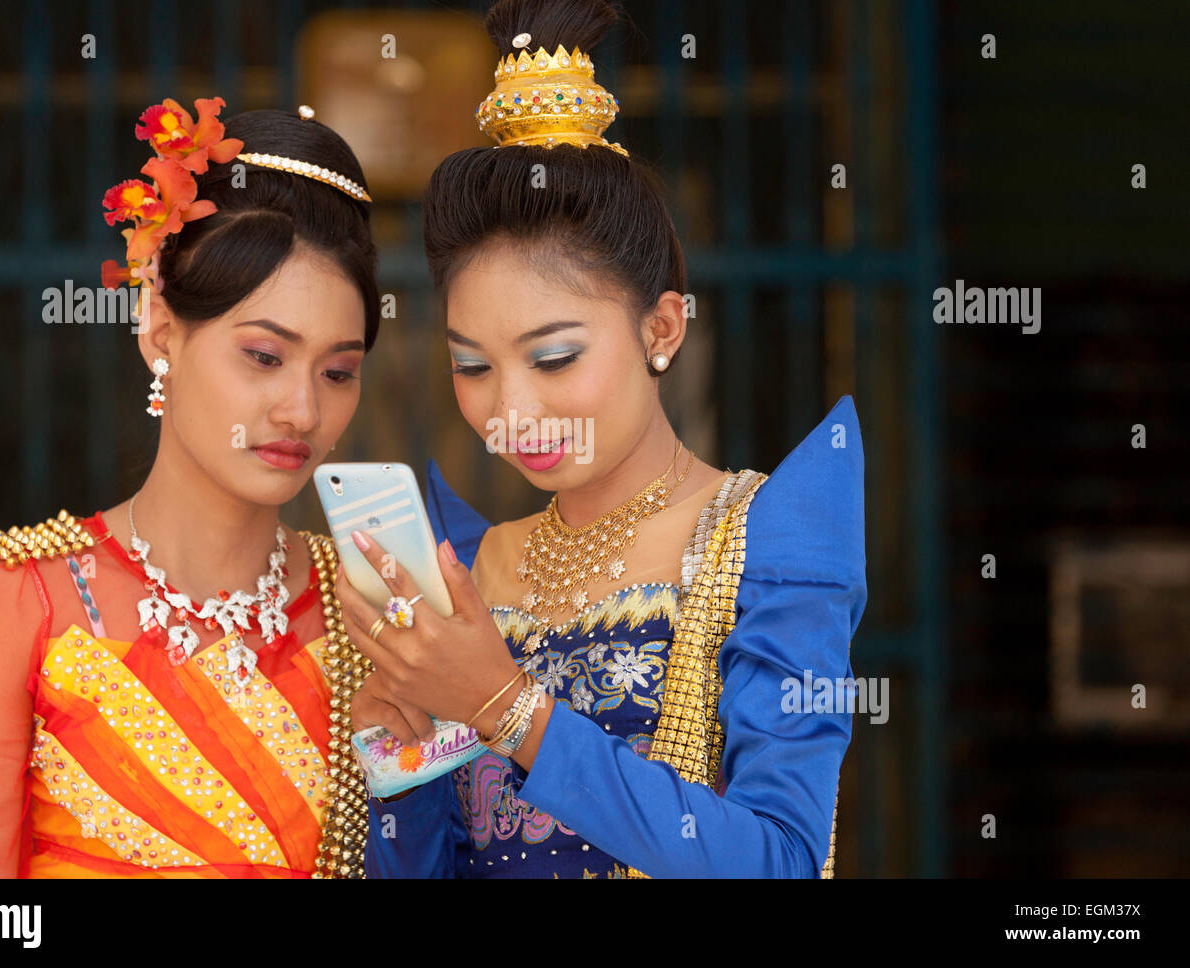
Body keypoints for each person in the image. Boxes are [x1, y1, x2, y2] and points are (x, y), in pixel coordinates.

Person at [338, 0, 867, 878]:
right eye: (472, 367)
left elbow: (780, 859)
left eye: (553, 357)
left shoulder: (764, 539)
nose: (511, 408)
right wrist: (401, 762)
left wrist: (511, 709)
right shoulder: (472, 565)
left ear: (662, 329)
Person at [0, 100, 376, 878]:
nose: (303, 410)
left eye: (338, 372)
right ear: (159, 330)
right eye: (263, 355)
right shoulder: (18, 601)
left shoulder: (366, 604)